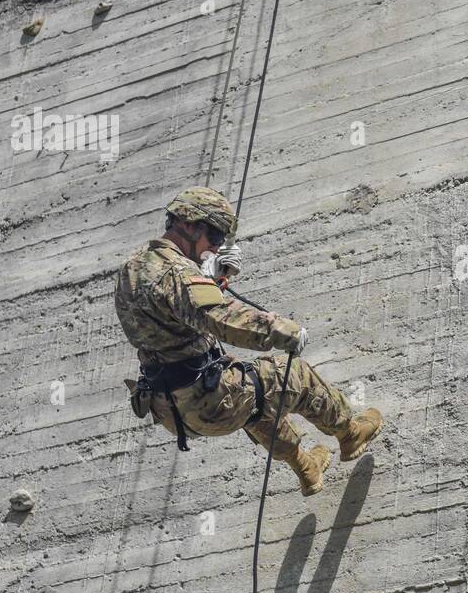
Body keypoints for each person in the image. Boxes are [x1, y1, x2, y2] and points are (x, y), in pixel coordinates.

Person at [114, 187, 382, 495]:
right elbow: (220, 317)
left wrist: (211, 278)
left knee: (255, 403)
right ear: (188, 225)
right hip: (209, 401)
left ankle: (306, 467)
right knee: (294, 377)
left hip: (170, 408)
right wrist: (277, 330)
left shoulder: (132, 267)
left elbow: (173, 314)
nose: (214, 248)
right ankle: (350, 434)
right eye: (213, 237)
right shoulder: (176, 273)